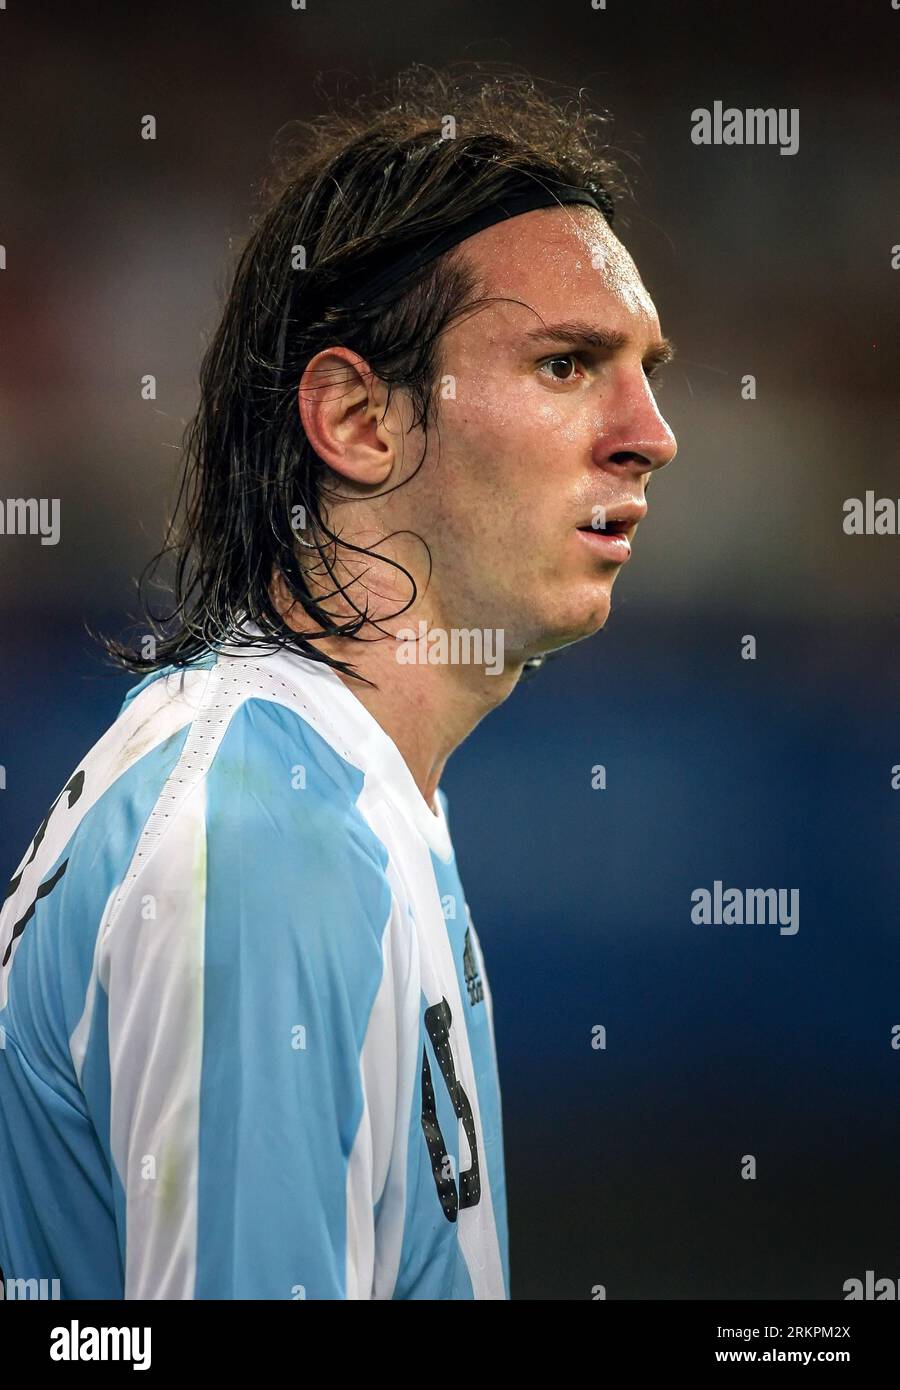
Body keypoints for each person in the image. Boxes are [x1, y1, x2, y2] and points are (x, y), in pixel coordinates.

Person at [0, 64, 677, 1300]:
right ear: (358, 419)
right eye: (570, 365)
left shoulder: (335, 790)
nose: (651, 430)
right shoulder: (261, 846)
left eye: (647, 366)